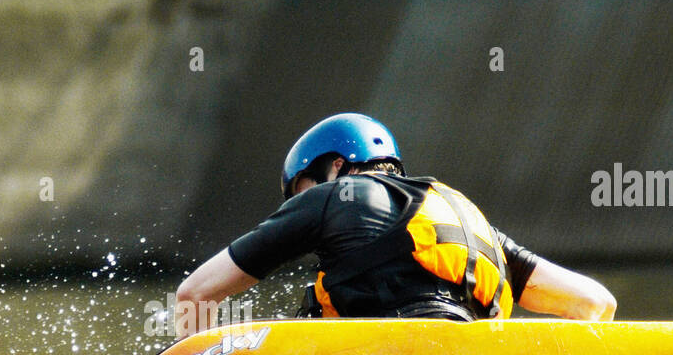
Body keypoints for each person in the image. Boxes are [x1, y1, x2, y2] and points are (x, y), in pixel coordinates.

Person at [173, 113, 615, 338]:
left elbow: (194, 294)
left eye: (303, 188)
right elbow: (594, 303)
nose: (301, 202)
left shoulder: (329, 199)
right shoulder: (469, 218)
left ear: (336, 167)